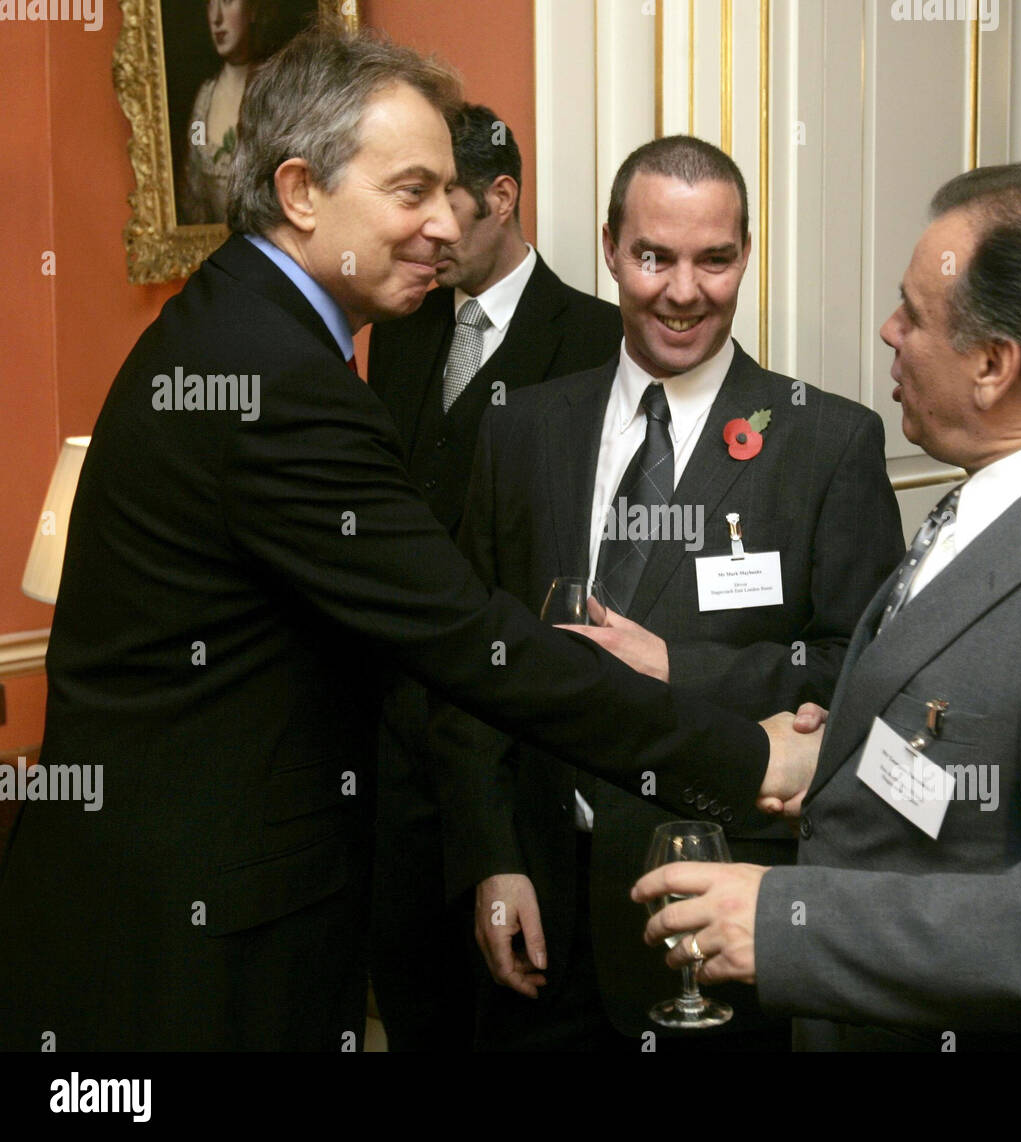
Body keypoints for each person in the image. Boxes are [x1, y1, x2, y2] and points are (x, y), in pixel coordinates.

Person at [0, 31, 818, 1052]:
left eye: (451, 191)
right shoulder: (277, 382)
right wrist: (746, 751)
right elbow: (473, 638)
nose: (448, 223)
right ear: (301, 191)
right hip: (196, 932)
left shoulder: (239, 330)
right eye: (413, 190)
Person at [634, 160, 1021, 1052]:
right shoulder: (1015, 489)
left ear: (995, 364)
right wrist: (838, 758)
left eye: (914, 315)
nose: (889, 331)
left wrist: (790, 919)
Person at [440, 135, 903, 1051]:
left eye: (714, 260)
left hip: (714, 917)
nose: (683, 291)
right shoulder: (523, 431)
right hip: (541, 911)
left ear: (745, 255)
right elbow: (468, 670)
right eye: (654, 257)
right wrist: (494, 862)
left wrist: (674, 665)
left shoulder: (827, 444)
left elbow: (862, 675)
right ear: (611, 248)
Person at [365, 105, 624, 1051]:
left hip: (510, 730)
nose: (424, 232)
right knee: (411, 986)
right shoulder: (401, 325)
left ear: (502, 197)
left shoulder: (597, 340)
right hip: (393, 729)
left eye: (445, 203)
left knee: (513, 1010)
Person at [179, 0, 290, 226]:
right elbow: (194, 195)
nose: (216, 18)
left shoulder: (277, 90)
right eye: (210, 4)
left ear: (254, 9)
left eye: (228, 2)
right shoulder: (205, 98)